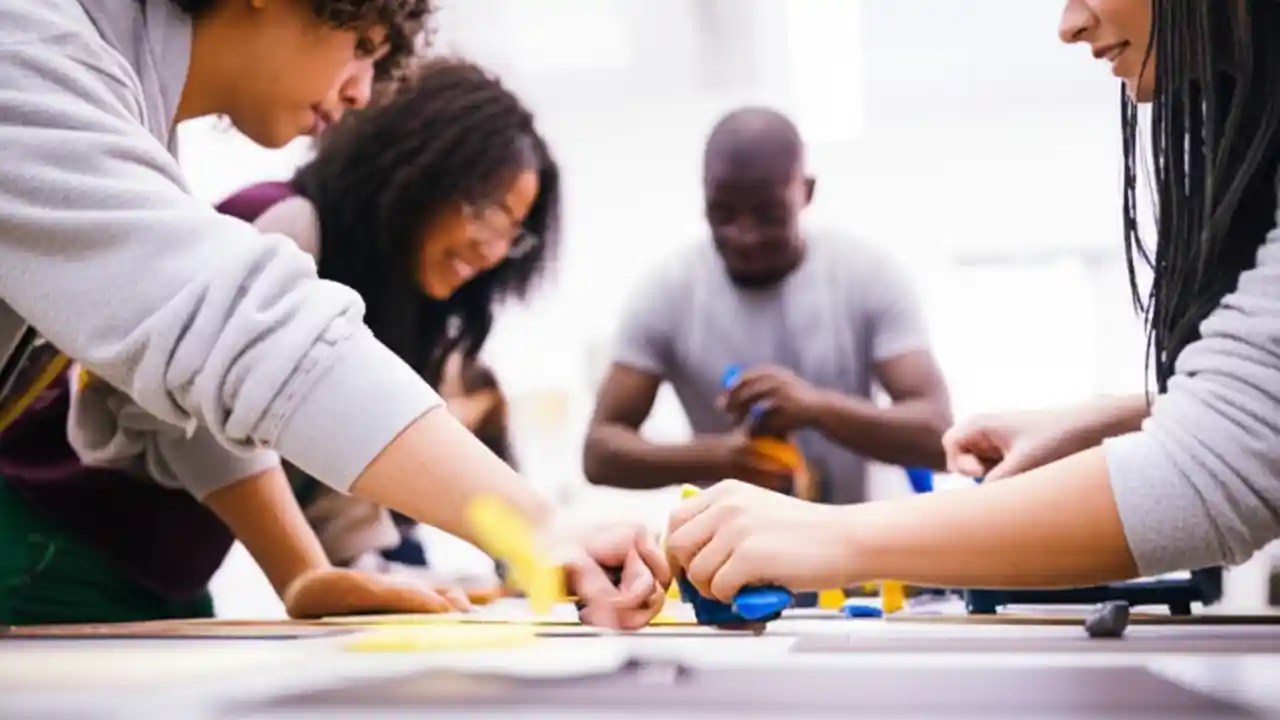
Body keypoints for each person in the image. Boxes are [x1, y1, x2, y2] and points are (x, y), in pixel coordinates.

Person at [0, 0, 667, 628]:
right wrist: (539, 527)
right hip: (56, 538)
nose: (361, 92)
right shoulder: (28, 54)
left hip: (161, 565)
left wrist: (308, 573)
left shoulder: (120, 102)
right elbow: (236, 339)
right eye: (362, 45)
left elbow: (231, 377)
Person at [667, 0, 1280, 604]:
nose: (1069, 24)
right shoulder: (671, 290)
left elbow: (1213, 469)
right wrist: (1125, 416)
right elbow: (1254, 416)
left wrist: (827, 536)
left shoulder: (866, 274)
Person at [584, 107, 952, 505]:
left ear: (806, 192)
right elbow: (599, 453)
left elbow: (940, 437)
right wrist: (718, 457)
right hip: (728, 557)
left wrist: (816, 408)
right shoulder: (666, 292)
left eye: (768, 216)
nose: (744, 236)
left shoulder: (867, 276)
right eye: (722, 213)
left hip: (853, 552)